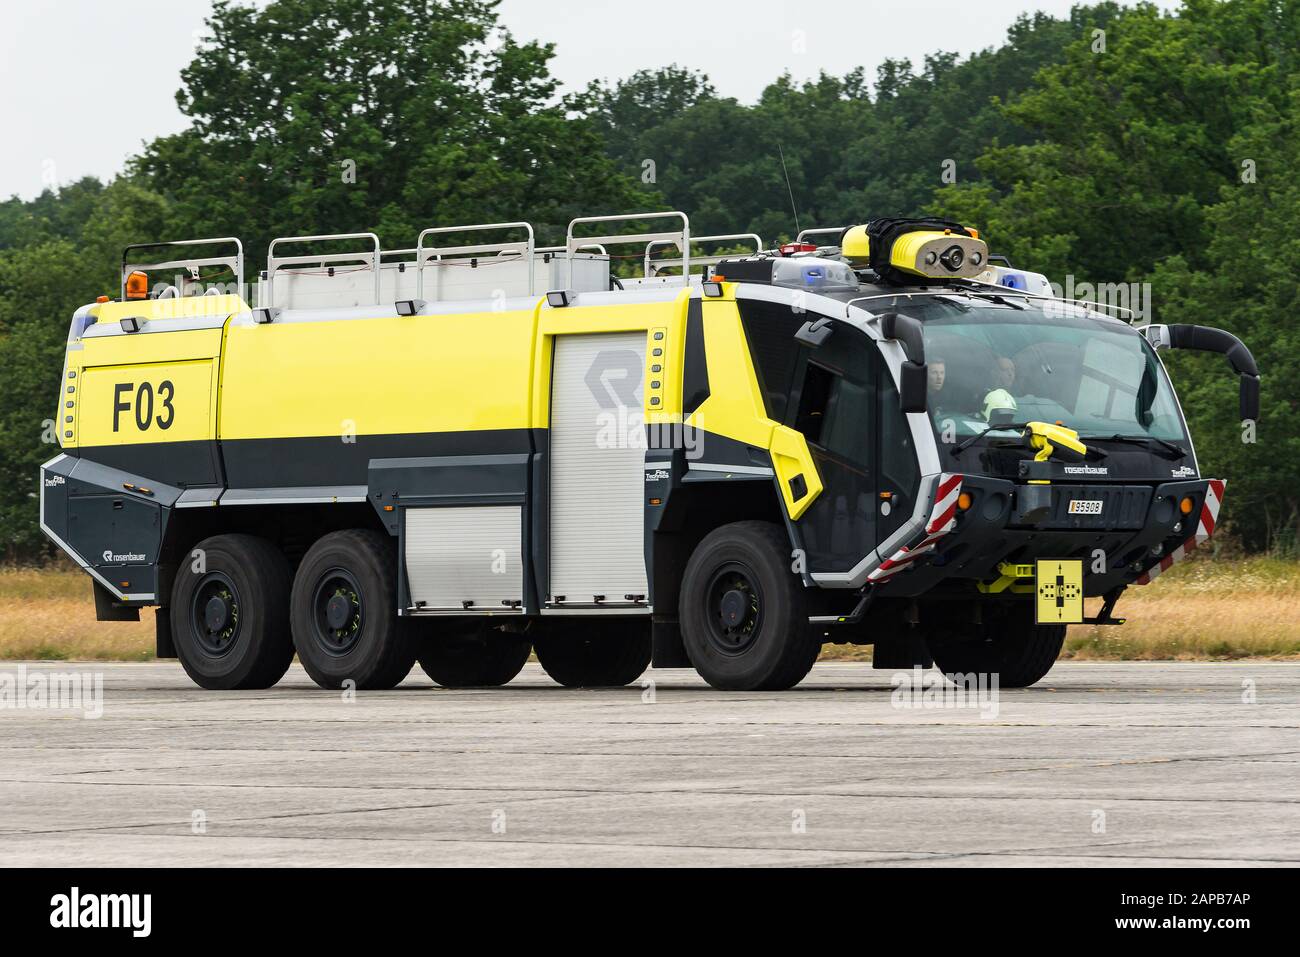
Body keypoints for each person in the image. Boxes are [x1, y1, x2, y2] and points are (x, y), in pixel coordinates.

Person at [982, 356, 1018, 421]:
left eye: (1012, 370)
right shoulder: (983, 398)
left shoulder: (1017, 398)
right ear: (993, 373)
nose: (1010, 374)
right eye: (1004, 369)